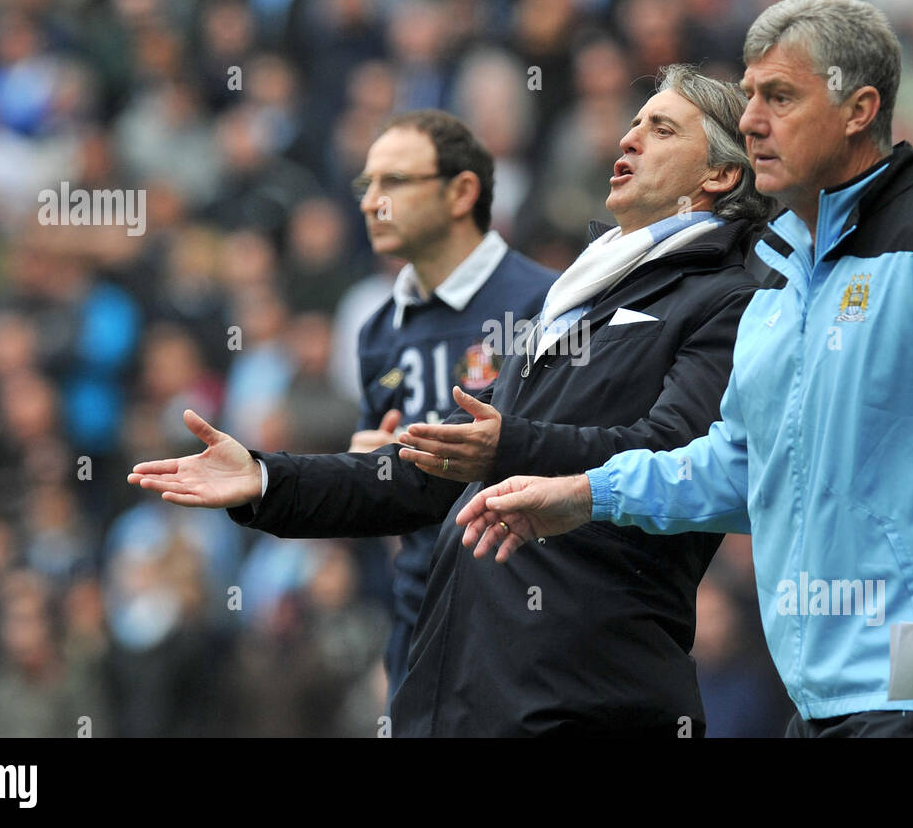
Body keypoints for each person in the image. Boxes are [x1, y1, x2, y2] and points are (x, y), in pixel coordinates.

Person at [455, 0, 913, 738]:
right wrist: (586, 494)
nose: (753, 119)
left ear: (860, 109)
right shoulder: (775, 280)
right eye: (751, 94)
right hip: (824, 694)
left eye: (780, 96)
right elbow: (737, 465)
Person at [129, 64, 770, 736]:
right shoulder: (575, 298)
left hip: (584, 697)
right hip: (459, 694)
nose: (630, 137)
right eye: (633, 122)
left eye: (660, 128)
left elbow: (680, 457)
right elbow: (425, 469)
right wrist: (264, 478)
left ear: (719, 175)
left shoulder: (726, 300)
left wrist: (511, 445)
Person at [338, 110, 557, 699]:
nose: (370, 203)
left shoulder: (546, 303)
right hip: (414, 623)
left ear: (462, 192)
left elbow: (570, 459)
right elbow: (379, 487)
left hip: (526, 618)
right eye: (365, 186)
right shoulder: (377, 330)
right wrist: (369, 466)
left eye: (393, 183)